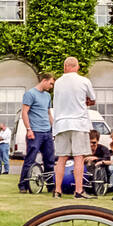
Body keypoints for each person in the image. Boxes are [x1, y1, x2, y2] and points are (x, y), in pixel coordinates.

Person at [50, 57, 96, 199]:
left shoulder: (58, 83)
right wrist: (85, 101)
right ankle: (78, 190)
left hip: (61, 123)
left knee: (62, 158)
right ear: (77, 67)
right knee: (78, 157)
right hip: (78, 122)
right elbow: (92, 99)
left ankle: (57, 190)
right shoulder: (84, 81)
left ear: (65, 67)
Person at [18, 72, 55, 193]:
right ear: (44, 80)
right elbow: (24, 113)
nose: (51, 86)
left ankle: (50, 185)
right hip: (35, 132)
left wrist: (53, 128)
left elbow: (48, 113)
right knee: (30, 159)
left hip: (47, 132)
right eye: (50, 83)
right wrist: (29, 129)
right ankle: (23, 185)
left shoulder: (48, 96)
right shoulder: (30, 94)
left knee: (50, 160)